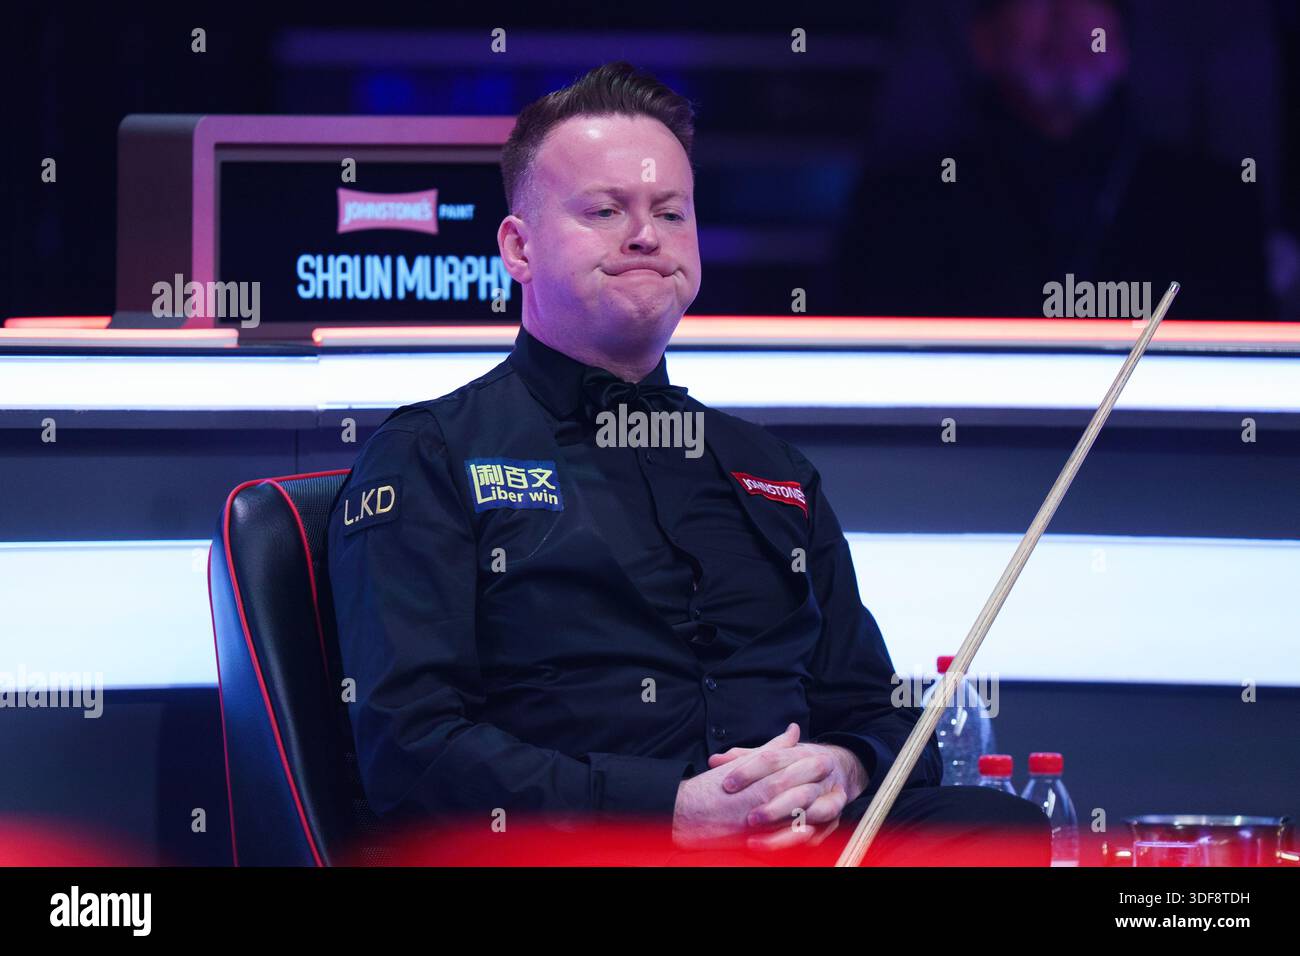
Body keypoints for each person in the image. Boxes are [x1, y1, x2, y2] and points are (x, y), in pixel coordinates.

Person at [328, 61, 1049, 865]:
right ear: (518, 250)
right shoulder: (429, 456)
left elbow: (880, 720)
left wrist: (840, 770)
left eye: (670, 212)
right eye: (605, 210)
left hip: (799, 851)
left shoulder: (773, 471)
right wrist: (663, 811)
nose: (645, 235)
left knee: (998, 832)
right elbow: (408, 751)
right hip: (578, 855)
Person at [833, 0, 1272, 321]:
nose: (1066, 16)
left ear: (1122, 41)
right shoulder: (901, 208)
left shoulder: (1216, 207)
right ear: (982, 40)